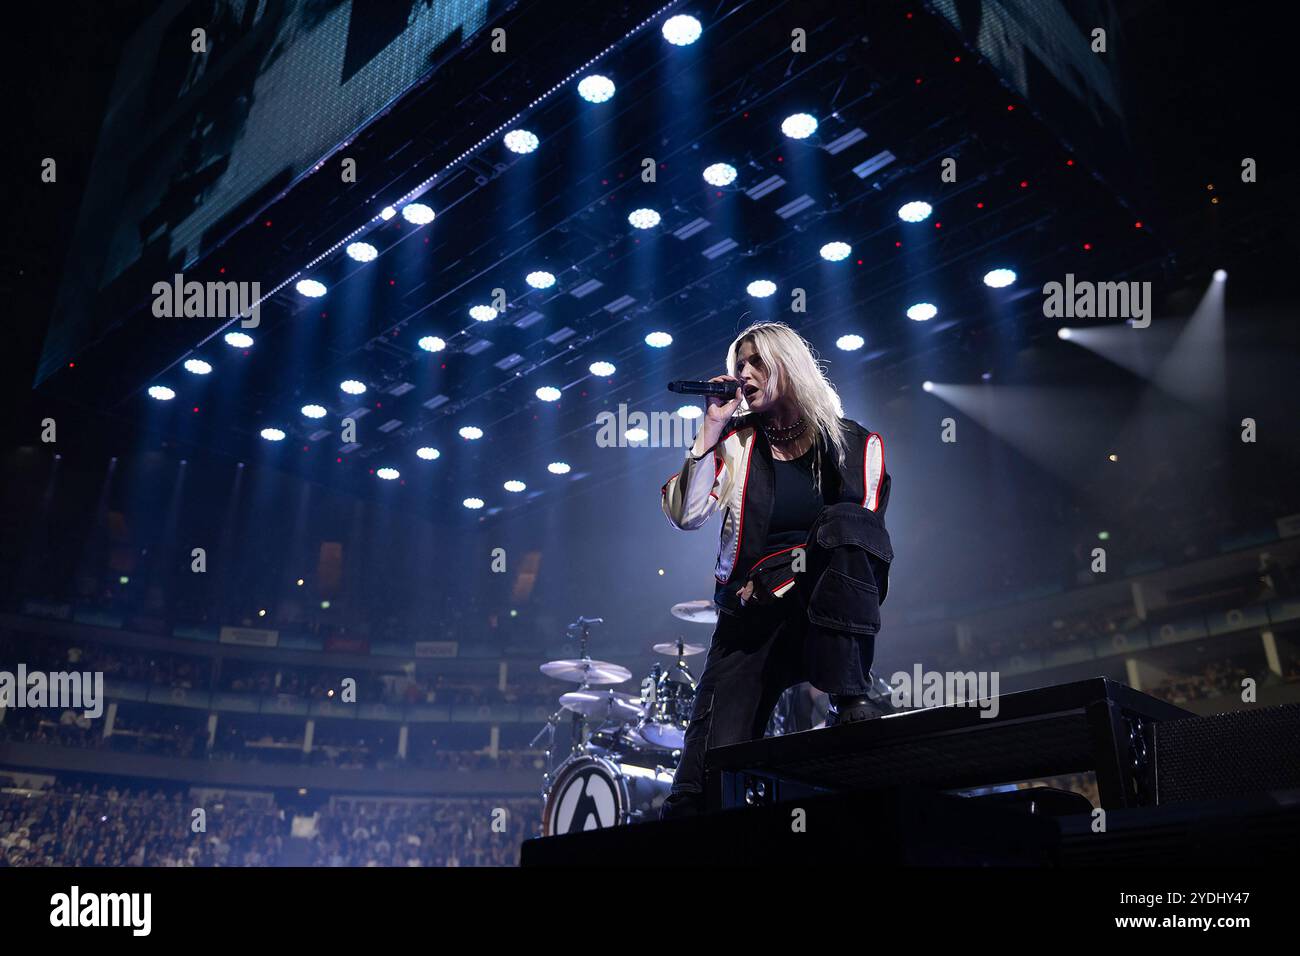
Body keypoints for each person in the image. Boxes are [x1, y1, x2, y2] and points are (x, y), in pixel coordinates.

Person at [658, 321, 892, 819]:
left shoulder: (855, 444)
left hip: (820, 610)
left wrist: (776, 576)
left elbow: (862, 538)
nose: (744, 373)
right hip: (749, 622)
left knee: (845, 524)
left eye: (757, 361)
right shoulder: (736, 442)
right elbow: (686, 515)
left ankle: (850, 698)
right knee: (701, 783)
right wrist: (711, 428)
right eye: (738, 364)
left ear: (789, 366)